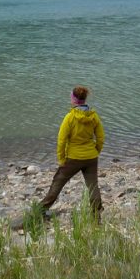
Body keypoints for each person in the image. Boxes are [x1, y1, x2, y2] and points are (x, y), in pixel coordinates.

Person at [37, 85, 106, 219]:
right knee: (93, 186)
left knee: (58, 181)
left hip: (73, 158)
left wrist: (61, 159)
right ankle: (96, 216)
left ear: (73, 99)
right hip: (91, 157)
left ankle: (41, 210)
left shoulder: (70, 117)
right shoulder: (94, 116)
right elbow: (101, 137)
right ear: (84, 99)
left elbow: (61, 140)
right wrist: (95, 151)